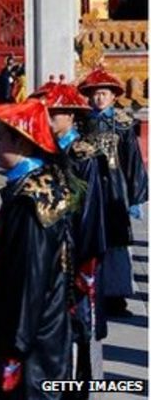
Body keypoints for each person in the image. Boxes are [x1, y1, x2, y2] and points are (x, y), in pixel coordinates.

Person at [0, 99, 75, 400]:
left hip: (31, 337)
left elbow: (30, 279)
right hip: (40, 326)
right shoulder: (36, 187)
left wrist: (15, 348)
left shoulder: (31, 204)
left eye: (1, 137)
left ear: (23, 143)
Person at [31, 78, 108, 383]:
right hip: (50, 251)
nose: (49, 118)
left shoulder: (83, 155)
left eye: (55, 113)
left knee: (82, 324)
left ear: (72, 116)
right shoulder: (42, 152)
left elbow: (90, 214)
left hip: (77, 250)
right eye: (46, 111)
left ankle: (85, 381)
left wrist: (86, 262)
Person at [77, 67, 148, 318]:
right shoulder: (82, 122)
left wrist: (136, 196)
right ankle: (92, 291)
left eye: (104, 94)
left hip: (116, 191)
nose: (99, 98)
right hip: (90, 192)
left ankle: (117, 297)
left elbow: (133, 161)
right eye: (95, 94)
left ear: (113, 96)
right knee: (93, 242)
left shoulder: (123, 124)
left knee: (117, 245)